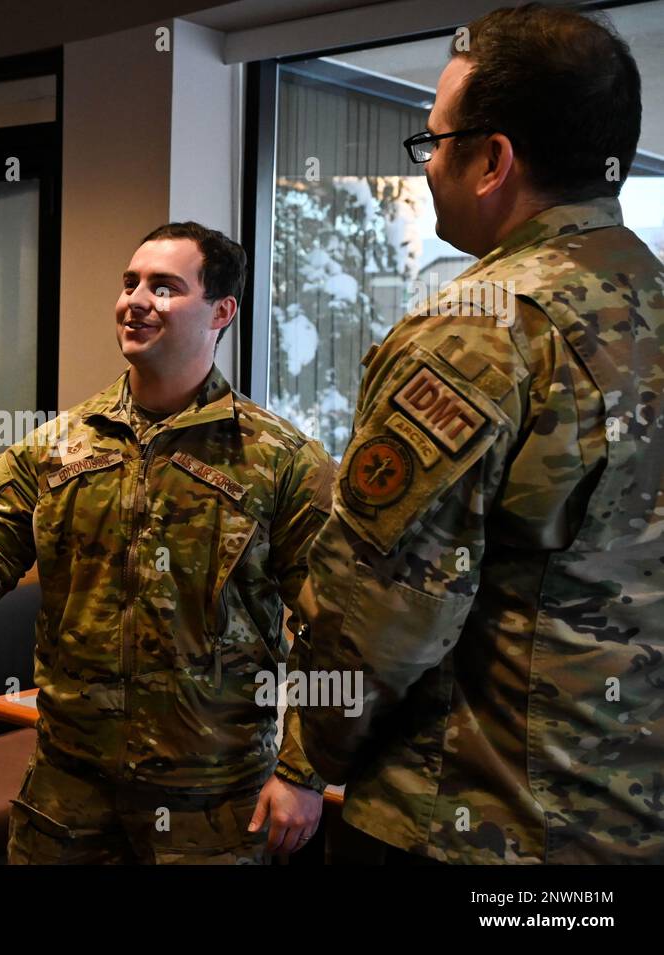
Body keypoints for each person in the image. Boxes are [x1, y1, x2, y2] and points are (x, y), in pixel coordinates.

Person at [296, 3, 664, 863]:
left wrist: (308, 754)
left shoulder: (480, 329)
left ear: (492, 157)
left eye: (432, 144)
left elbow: (381, 614)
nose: (427, 168)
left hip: (473, 823)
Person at [0, 222, 333, 863]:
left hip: (213, 806)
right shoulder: (57, 447)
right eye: (130, 283)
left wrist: (302, 771)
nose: (136, 300)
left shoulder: (279, 460)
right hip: (68, 793)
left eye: (165, 287)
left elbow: (330, 626)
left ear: (221, 311)